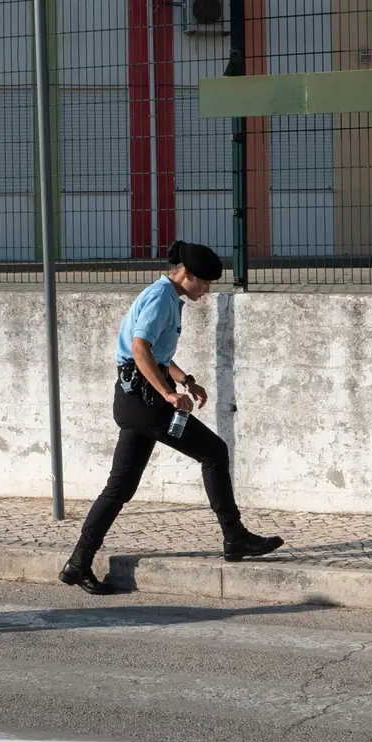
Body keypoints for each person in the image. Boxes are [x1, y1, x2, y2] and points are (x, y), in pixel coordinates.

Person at [61, 240, 283, 595]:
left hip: (135, 400)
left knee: (119, 488)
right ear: (186, 274)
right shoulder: (161, 297)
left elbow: (158, 354)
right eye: (205, 284)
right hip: (147, 401)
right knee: (213, 452)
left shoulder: (167, 296)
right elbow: (139, 348)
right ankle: (235, 537)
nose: (207, 291)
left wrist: (184, 380)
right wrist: (167, 393)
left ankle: (78, 562)